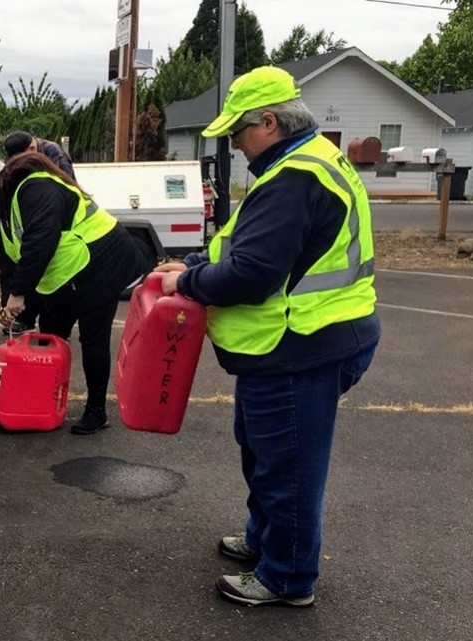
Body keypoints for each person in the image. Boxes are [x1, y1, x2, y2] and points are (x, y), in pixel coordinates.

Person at [155, 66, 380, 607]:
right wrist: (191, 260)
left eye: (238, 131)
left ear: (270, 122)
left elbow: (251, 274)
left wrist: (184, 281)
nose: (234, 143)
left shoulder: (292, 177)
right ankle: (264, 540)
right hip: (300, 343)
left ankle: (287, 577)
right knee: (262, 453)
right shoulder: (304, 164)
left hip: (301, 345)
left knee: (289, 467)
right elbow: (238, 245)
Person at [0, 148, 151, 435]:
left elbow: (40, 243)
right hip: (66, 274)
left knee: (93, 338)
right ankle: (45, 400)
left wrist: (20, 294)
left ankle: (96, 410)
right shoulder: (2, 208)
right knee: (50, 332)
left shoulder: (36, 189)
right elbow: (10, 262)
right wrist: (11, 307)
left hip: (102, 261)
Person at [0, 132, 75, 334]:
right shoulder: (18, 159)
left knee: (43, 267)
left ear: (31, 150)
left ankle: (54, 329)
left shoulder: (54, 154)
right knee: (30, 270)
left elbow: (67, 187)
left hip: (58, 223)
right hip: (39, 217)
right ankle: (26, 318)